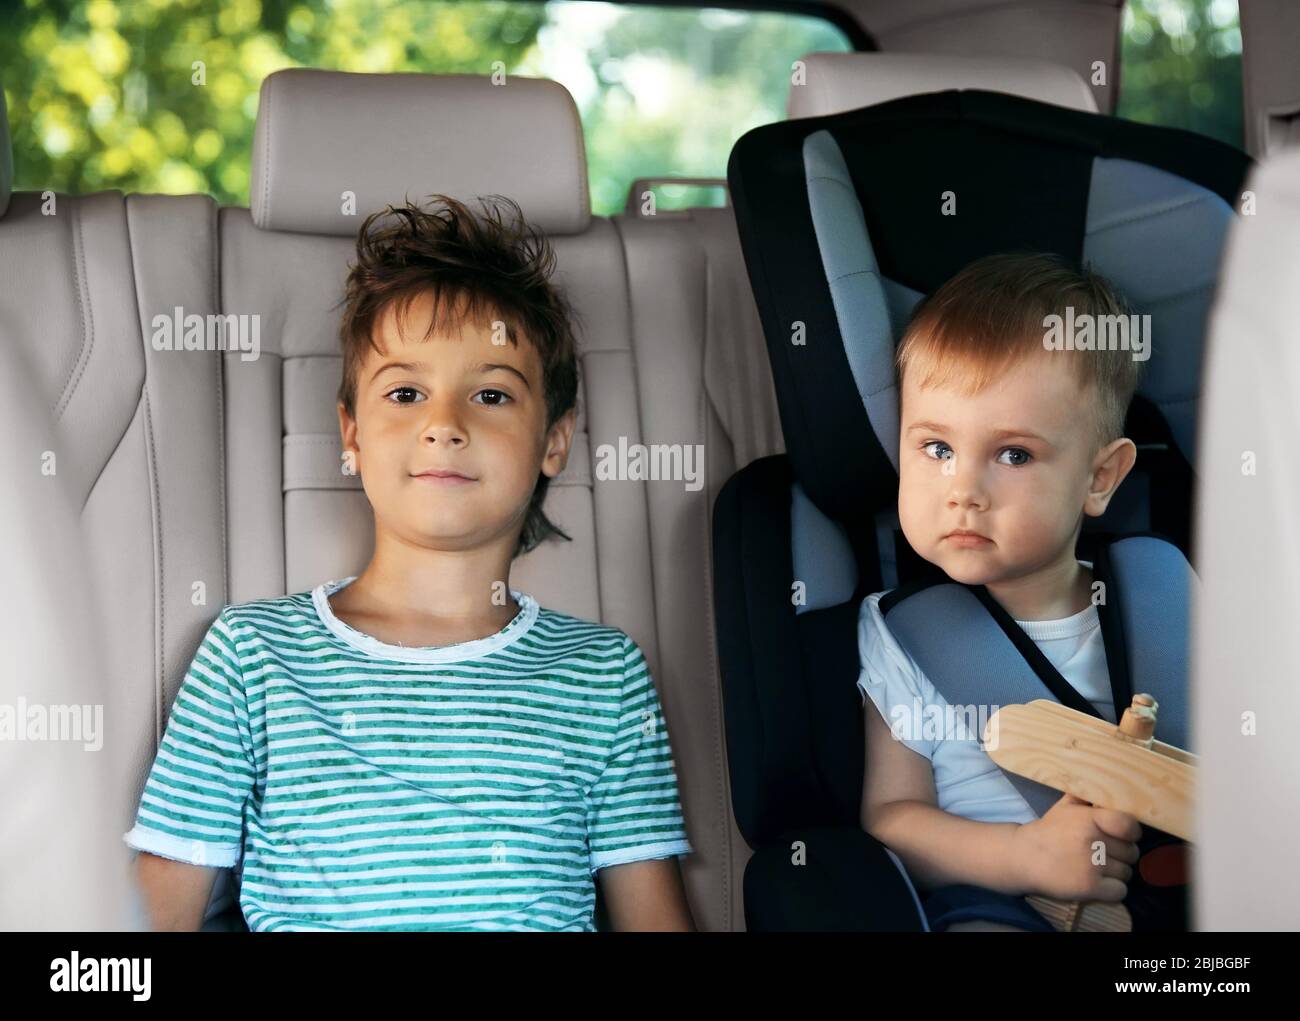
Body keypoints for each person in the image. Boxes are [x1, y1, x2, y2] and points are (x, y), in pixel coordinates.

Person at [125, 196, 695, 931]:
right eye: (405, 393)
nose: (444, 425)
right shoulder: (253, 654)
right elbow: (149, 923)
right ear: (352, 434)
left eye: (491, 394)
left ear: (555, 440)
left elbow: (653, 918)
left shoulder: (603, 672)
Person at [858, 252, 1148, 932]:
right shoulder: (906, 633)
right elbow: (891, 818)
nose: (963, 490)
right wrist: (1026, 856)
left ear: (1100, 478)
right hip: (995, 901)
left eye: (1013, 454)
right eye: (935, 448)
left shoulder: (1157, 605)